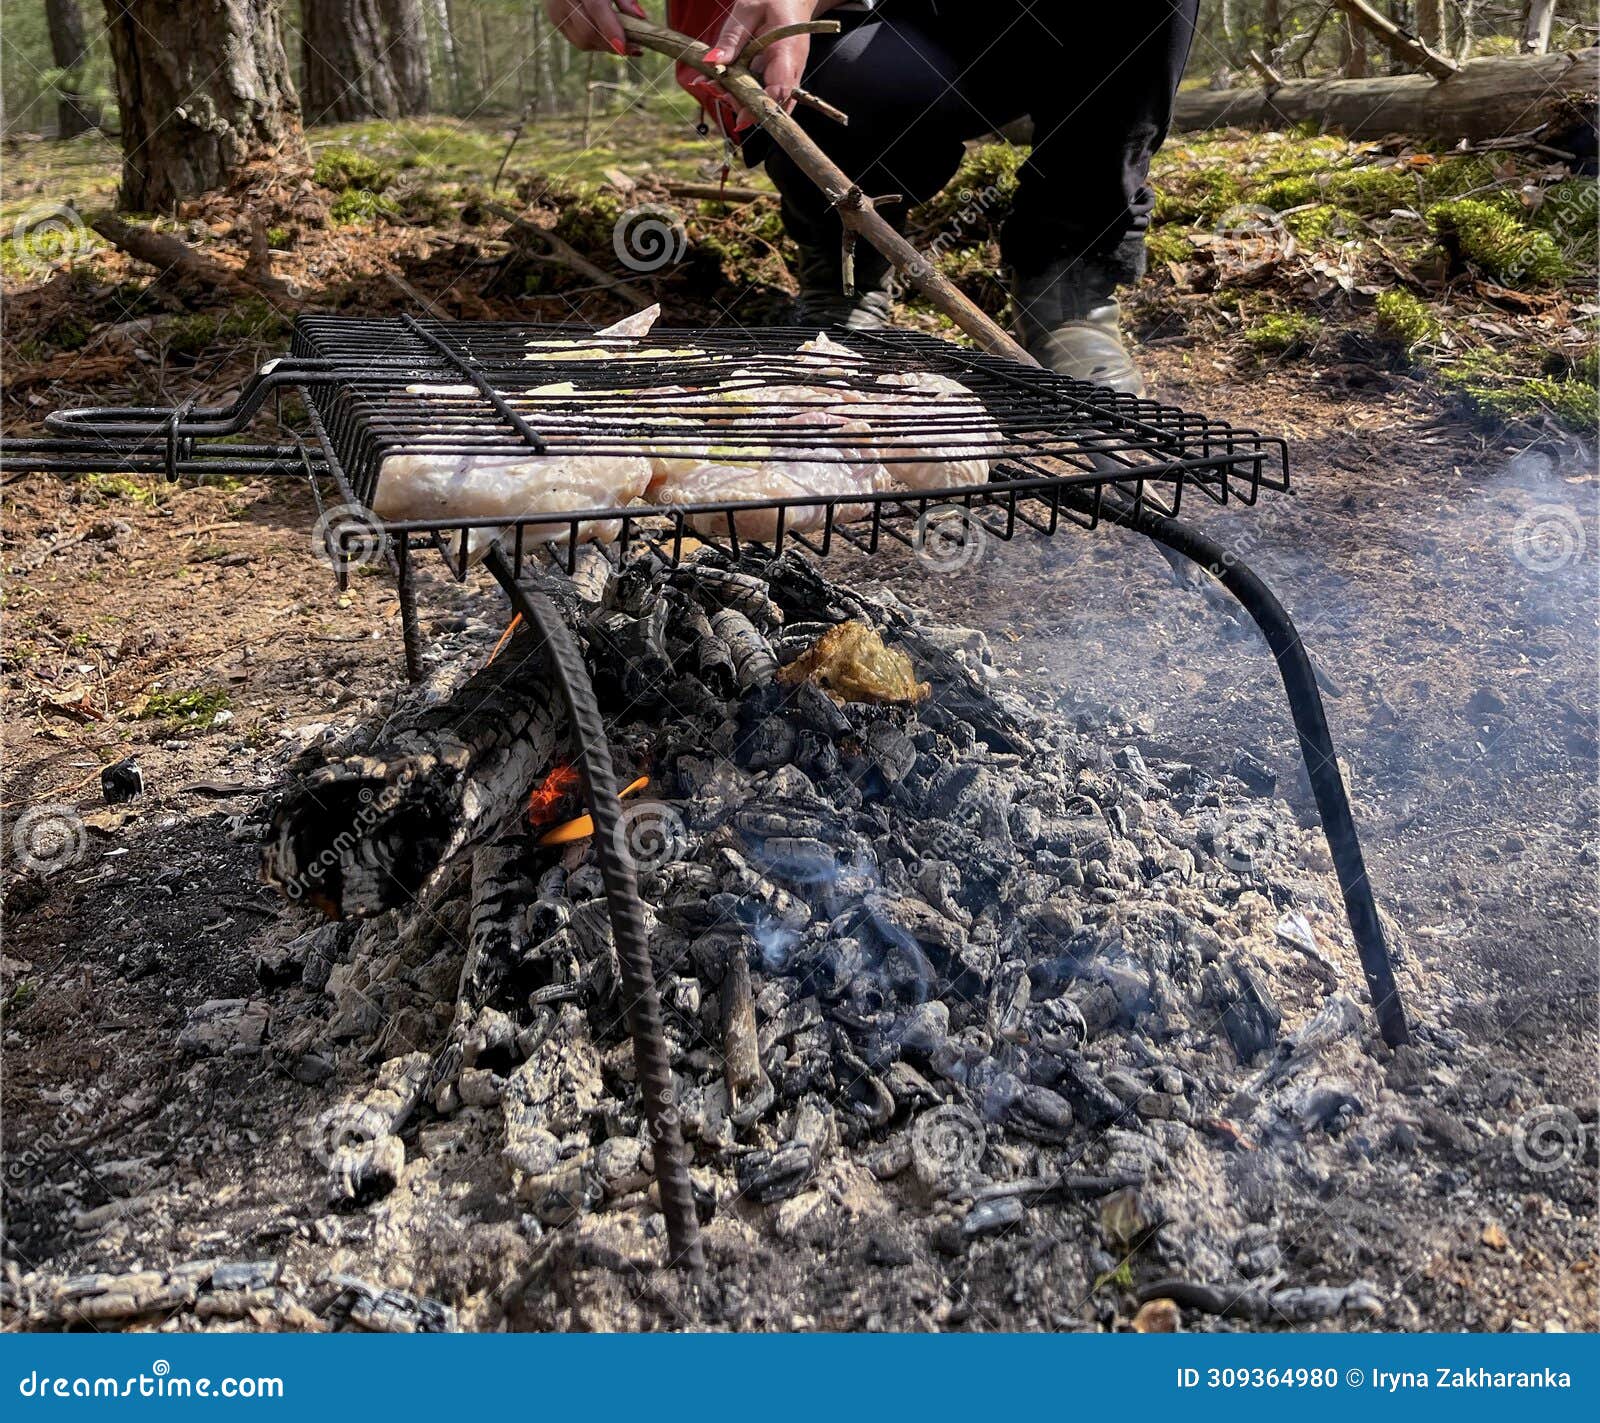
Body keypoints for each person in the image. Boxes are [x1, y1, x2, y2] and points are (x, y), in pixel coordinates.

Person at [544, 1, 1197, 394]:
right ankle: (844, 273)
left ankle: (1067, 282)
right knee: (848, 76)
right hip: (840, 39)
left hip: (995, 23)